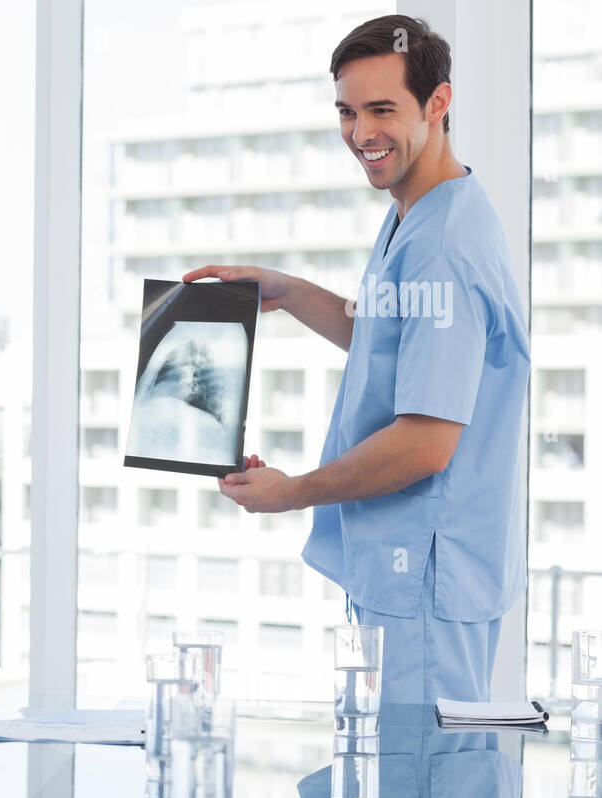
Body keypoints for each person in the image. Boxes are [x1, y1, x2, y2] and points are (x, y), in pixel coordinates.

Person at [184, 14, 529, 707]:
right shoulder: (419, 210)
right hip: (407, 580)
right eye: (347, 111)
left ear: (439, 103)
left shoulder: (443, 245)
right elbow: (391, 344)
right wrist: (287, 290)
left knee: (421, 792)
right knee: (393, 790)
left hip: (425, 585)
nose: (361, 133)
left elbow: (428, 443)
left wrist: (293, 491)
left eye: (382, 110)